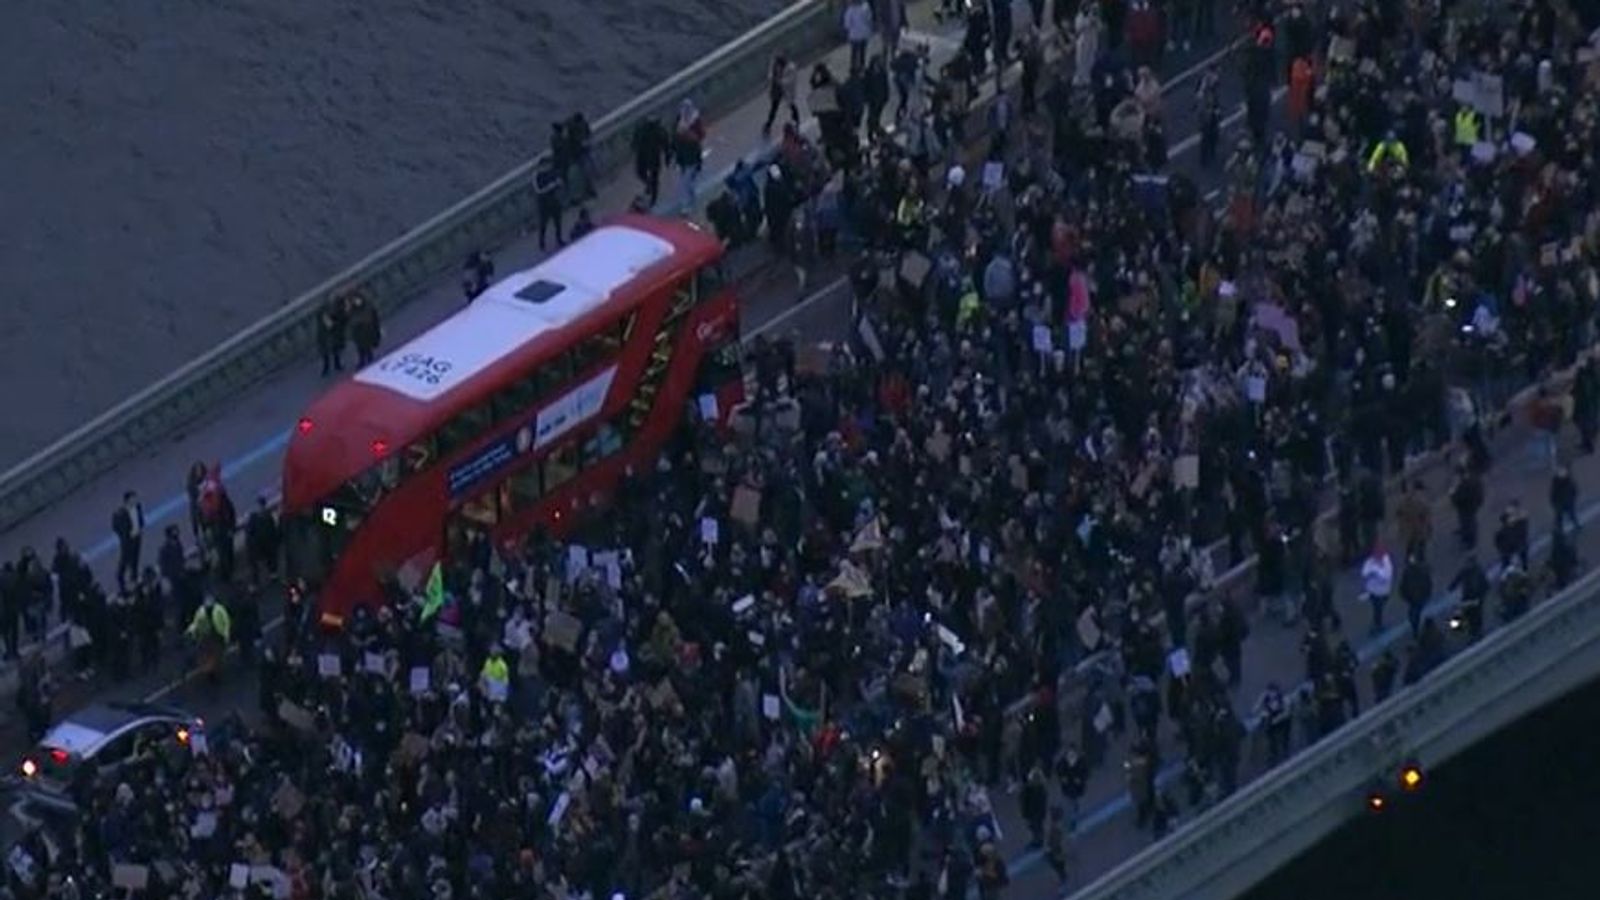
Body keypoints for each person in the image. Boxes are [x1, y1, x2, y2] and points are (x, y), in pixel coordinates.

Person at [185, 595, 231, 685]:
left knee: (217, 655)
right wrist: (191, 631)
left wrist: (226, 635)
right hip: (207, 636)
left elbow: (225, 622)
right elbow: (197, 623)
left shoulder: (219, 610)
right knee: (208, 654)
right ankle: (211, 671)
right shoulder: (201, 612)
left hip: (218, 636)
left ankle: (214, 671)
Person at [1450, 553, 1490, 642]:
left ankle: (1475, 632)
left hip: (1474, 597)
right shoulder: (1471, 571)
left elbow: (1484, 584)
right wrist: (1452, 586)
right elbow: (1458, 578)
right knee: (1472, 614)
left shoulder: (1476, 571)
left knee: (1475, 615)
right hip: (1470, 596)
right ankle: (1475, 632)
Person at [631, 115, 669, 208]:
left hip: (651, 156)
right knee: (645, 174)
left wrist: (667, 155)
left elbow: (665, 144)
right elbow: (666, 144)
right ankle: (650, 188)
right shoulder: (645, 129)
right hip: (645, 155)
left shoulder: (658, 131)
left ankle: (652, 196)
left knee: (651, 177)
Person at [110, 490, 144, 592]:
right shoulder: (120, 513)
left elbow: (139, 518)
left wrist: (140, 527)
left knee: (135, 559)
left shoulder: (137, 507)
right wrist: (124, 535)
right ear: (128, 500)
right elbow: (115, 527)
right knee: (125, 560)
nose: (136, 500)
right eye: (134, 498)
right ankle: (120, 579)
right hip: (127, 541)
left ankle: (134, 577)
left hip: (137, 537)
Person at [244, 494, 281, 585]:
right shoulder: (267, 516)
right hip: (265, 542)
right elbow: (273, 530)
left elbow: (249, 533)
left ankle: (255, 583)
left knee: (254, 562)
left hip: (258, 544)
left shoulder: (253, 518)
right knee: (270, 556)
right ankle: (272, 574)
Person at [1360, 542, 1394, 636]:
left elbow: (1386, 576)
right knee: (1376, 608)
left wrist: (1375, 572)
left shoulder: (1387, 563)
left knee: (1378, 609)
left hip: (1382, 592)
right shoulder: (1370, 561)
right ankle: (1377, 624)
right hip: (1372, 590)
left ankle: (1377, 625)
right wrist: (1371, 572)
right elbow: (1364, 572)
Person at [532, 153, 565, 250]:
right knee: (543, 223)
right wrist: (550, 187)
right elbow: (538, 190)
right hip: (543, 202)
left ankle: (559, 238)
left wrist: (558, 183)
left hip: (553, 199)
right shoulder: (536, 175)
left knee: (558, 219)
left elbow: (557, 181)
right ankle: (542, 242)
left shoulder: (551, 172)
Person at [1399, 548, 1433, 639]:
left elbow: (1403, 585)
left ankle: (1416, 630)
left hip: (1416, 598)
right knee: (1414, 615)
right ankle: (1416, 629)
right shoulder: (1411, 572)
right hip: (1416, 598)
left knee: (1413, 615)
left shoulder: (1412, 572)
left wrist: (1404, 595)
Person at [763, 52, 800, 134]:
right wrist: (773, 79)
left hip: (785, 89)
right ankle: (768, 124)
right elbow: (770, 74)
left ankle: (796, 121)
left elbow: (790, 80)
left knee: (791, 105)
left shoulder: (791, 68)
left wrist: (779, 81)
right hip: (777, 89)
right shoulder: (774, 65)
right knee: (774, 107)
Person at [346, 294, 381, 367]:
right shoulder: (352, 310)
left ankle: (368, 358)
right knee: (360, 347)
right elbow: (350, 320)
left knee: (367, 346)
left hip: (366, 329)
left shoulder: (367, 307)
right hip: (359, 331)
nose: (356, 302)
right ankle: (363, 360)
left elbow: (373, 317)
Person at [315, 297, 347, 376]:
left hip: (325, 336)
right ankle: (333, 366)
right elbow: (330, 325)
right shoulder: (325, 314)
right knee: (332, 350)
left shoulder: (322, 314)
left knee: (330, 351)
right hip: (328, 336)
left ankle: (329, 367)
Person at [1551, 466, 1580, 534]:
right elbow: (1553, 493)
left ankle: (1575, 525)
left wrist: (1573, 497)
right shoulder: (1557, 483)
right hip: (1561, 502)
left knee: (1570, 514)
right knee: (1560, 516)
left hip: (1566, 501)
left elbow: (1573, 490)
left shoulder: (1567, 482)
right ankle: (1560, 529)